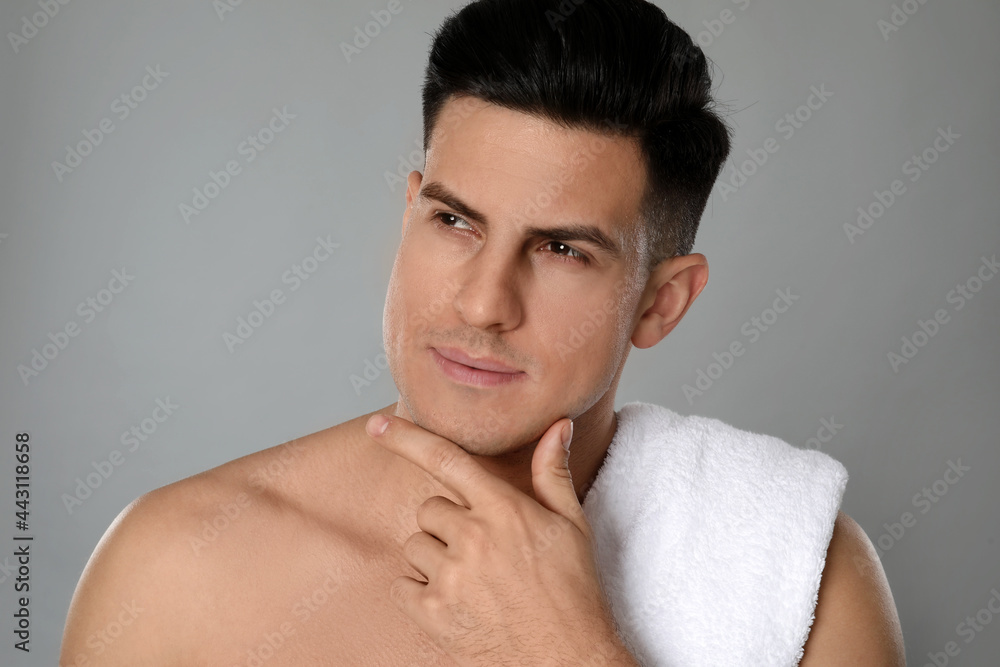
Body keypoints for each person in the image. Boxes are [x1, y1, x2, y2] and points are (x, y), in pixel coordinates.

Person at [60, 0, 905, 664]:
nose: (481, 302)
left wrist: (568, 652)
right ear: (409, 212)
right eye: (456, 222)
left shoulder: (802, 580)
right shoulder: (173, 569)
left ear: (661, 303)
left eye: (562, 248)